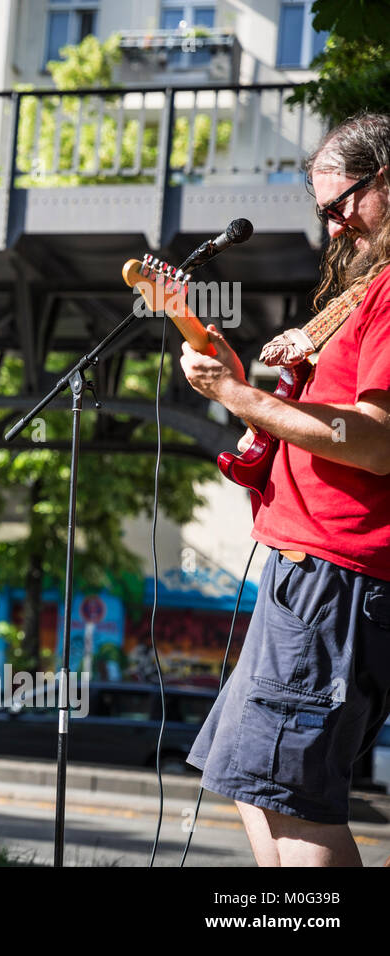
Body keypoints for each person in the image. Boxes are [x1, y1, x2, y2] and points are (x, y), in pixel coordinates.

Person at [180, 113, 390, 866]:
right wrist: (257, 408)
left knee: (294, 805)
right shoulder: (361, 294)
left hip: (336, 576)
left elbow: (375, 440)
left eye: (345, 204)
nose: (334, 227)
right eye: (323, 210)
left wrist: (244, 400)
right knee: (254, 781)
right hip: (305, 572)